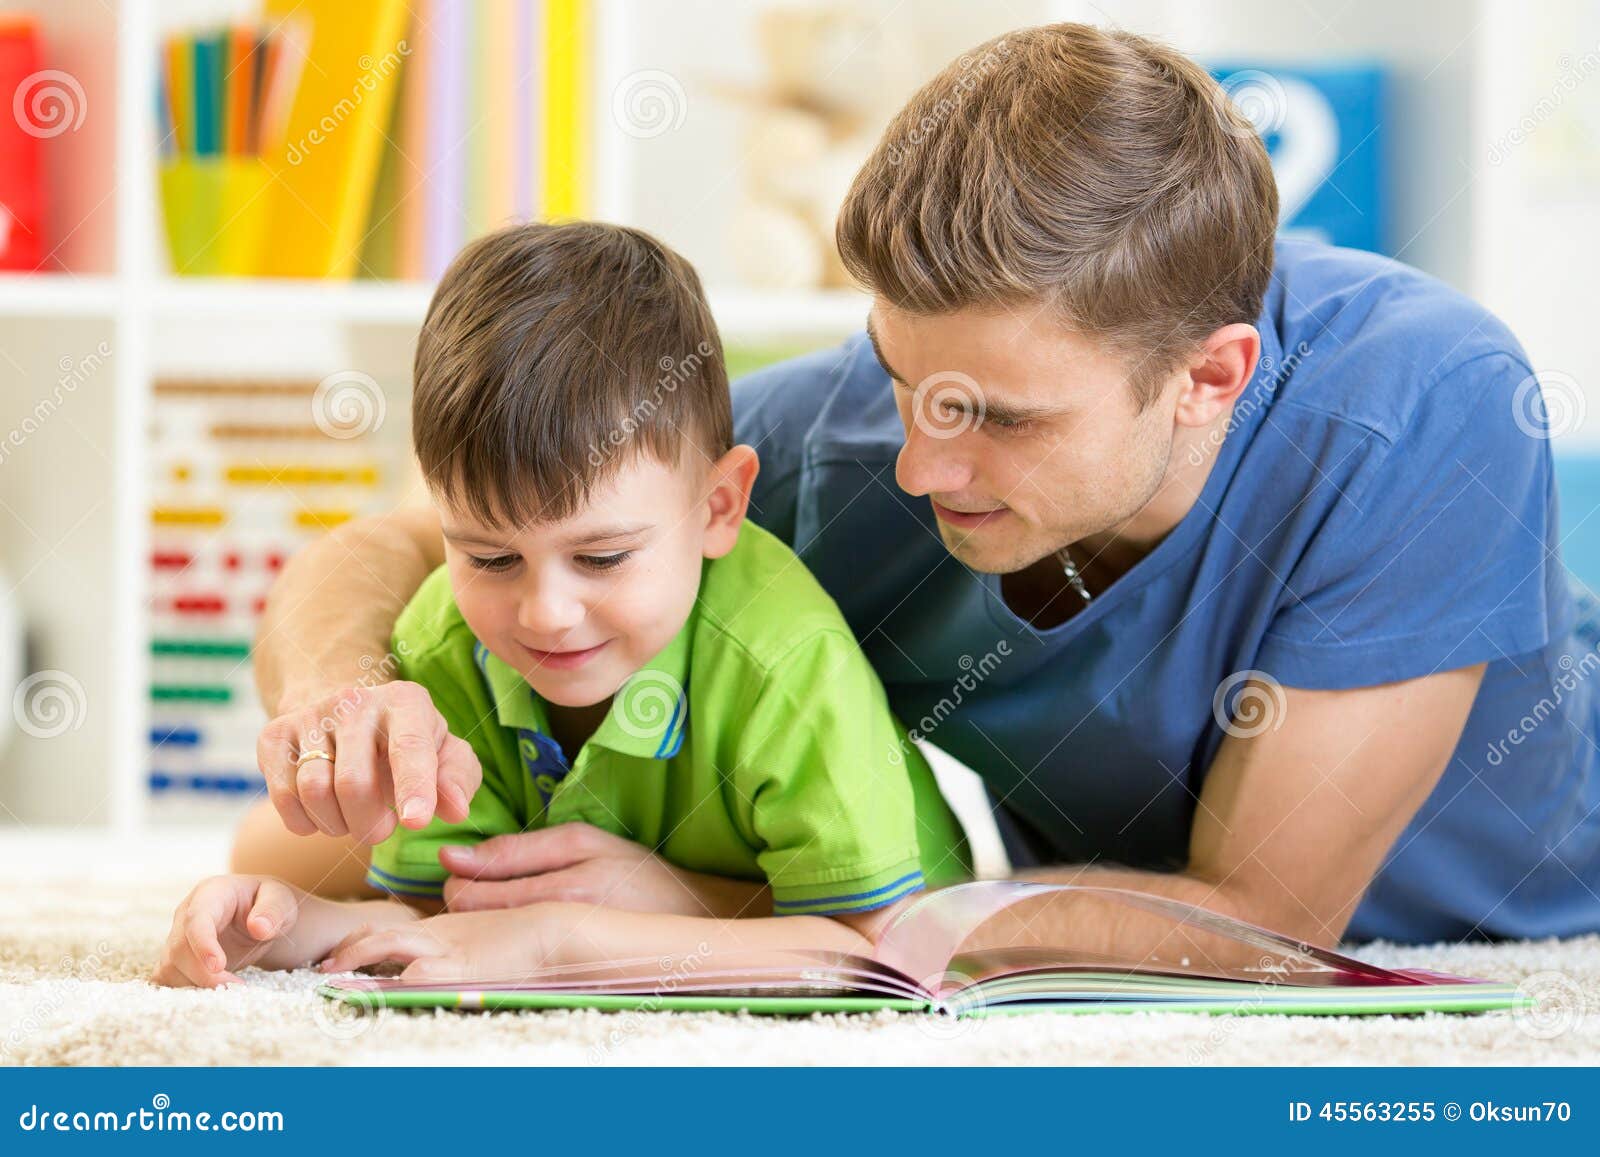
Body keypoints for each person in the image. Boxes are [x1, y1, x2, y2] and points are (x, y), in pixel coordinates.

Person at [239, 22, 1600, 953]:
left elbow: (1261, 916)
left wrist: (711, 914)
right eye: (904, 377)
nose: (919, 463)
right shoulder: (842, 442)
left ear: (1210, 377)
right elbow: (406, 535)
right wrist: (341, 693)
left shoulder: (1425, 401)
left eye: (998, 417)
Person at [151, 222, 969, 987]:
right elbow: (445, 915)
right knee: (278, 847)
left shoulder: (787, 661)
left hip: (840, 902)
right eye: (491, 555)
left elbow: (877, 952)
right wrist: (295, 925)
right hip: (607, 859)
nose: (545, 612)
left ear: (719, 507)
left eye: (603, 556)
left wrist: (561, 937)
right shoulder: (440, 641)